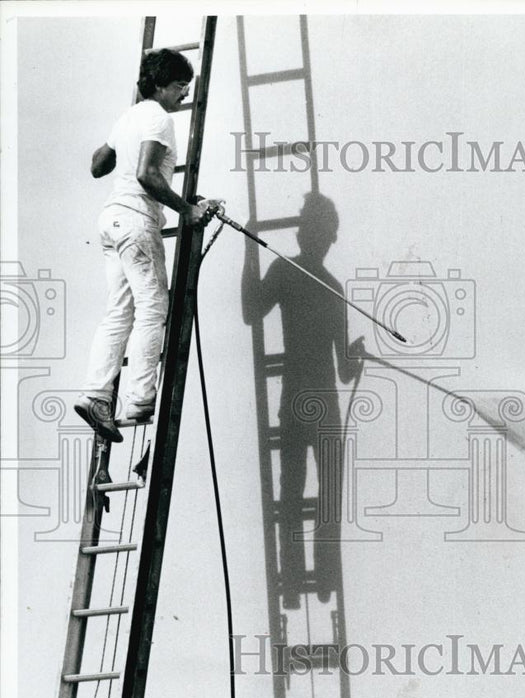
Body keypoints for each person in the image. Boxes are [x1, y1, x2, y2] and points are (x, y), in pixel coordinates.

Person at [75, 48, 223, 441]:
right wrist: (187, 210)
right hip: (137, 221)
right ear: (159, 85)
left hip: (111, 220)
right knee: (153, 306)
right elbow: (146, 174)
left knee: (118, 312)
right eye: (179, 87)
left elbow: (97, 165)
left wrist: (119, 142)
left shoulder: (130, 115)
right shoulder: (157, 117)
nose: (184, 96)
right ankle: (141, 396)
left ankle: (96, 395)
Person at [242, 192, 363, 609]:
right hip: (322, 402)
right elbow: (345, 370)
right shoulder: (330, 286)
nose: (328, 240)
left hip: (296, 397)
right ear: (323, 236)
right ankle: (324, 577)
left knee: (291, 495)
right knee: (327, 494)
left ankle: (293, 582)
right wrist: (357, 354)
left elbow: (250, 309)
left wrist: (249, 251)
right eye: (327, 234)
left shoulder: (286, 271)